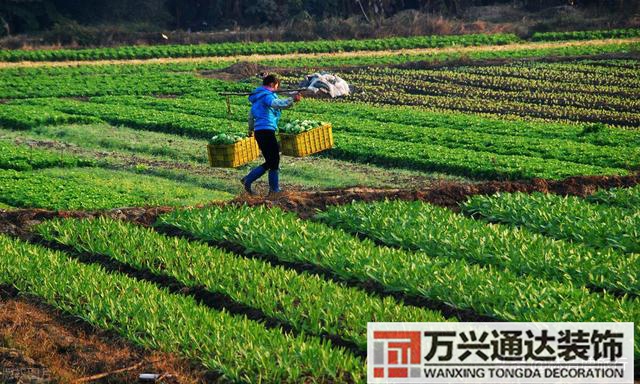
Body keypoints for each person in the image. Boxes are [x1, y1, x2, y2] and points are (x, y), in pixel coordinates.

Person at [241, 74, 301, 195]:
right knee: (273, 161)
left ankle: (268, 187)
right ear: (272, 84)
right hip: (266, 130)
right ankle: (267, 187)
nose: (277, 90)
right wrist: (292, 100)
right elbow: (276, 104)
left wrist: (251, 129)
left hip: (260, 131)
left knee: (272, 160)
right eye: (276, 87)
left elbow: (251, 117)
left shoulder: (257, 97)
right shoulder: (266, 96)